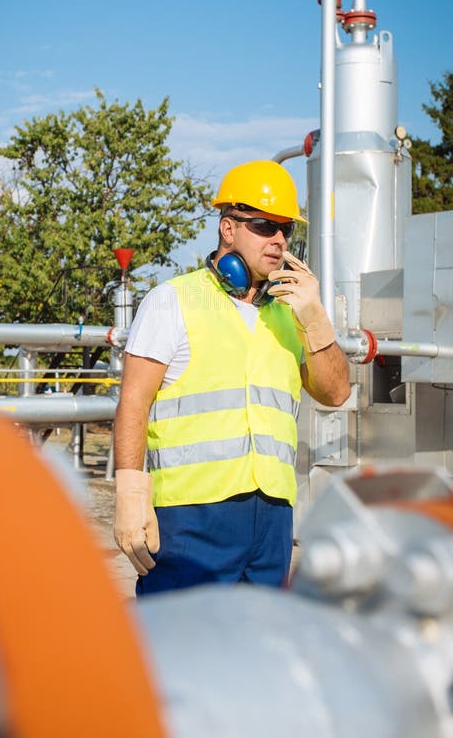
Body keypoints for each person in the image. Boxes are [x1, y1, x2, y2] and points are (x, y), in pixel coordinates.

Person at [113, 160, 350, 595]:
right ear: (228, 228)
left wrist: (315, 318)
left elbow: (336, 392)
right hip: (191, 520)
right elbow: (133, 401)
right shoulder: (173, 301)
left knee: (256, 653)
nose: (278, 240)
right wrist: (130, 493)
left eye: (286, 230)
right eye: (264, 225)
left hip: (273, 522)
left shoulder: (292, 316)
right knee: (181, 650)